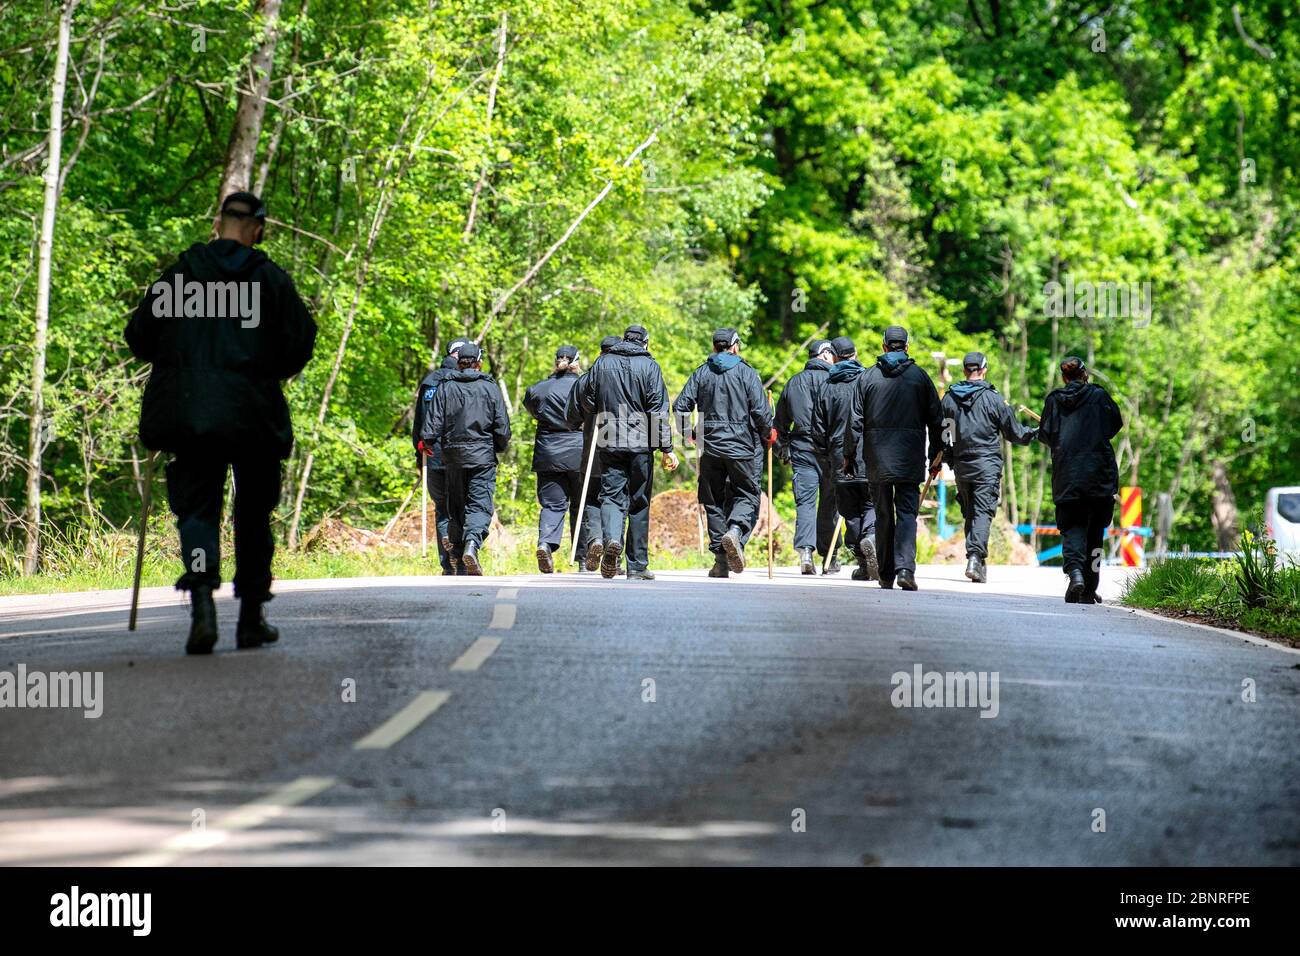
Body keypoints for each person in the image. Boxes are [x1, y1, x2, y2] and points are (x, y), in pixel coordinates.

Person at [125, 190, 317, 654]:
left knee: (196, 513)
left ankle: (202, 607)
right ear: (258, 230)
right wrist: (268, 368)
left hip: (191, 413)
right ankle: (251, 617)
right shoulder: (270, 281)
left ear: (218, 223)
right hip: (253, 413)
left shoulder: (180, 278)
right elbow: (300, 341)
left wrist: (180, 358)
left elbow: (139, 337)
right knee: (252, 514)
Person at [569, 324, 678, 580]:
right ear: (645, 342)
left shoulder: (602, 363)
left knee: (611, 496)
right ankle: (637, 566)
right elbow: (658, 410)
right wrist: (667, 448)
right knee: (638, 502)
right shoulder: (650, 366)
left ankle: (611, 541)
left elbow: (587, 398)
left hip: (609, 437)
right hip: (641, 443)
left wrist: (602, 411)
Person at [847, 325, 943, 591]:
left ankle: (886, 574)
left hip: (877, 457)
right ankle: (905, 569)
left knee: (883, 514)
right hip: (910, 456)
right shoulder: (920, 377)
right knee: (907, 513)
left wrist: (848, 455)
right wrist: (936, 456)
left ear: (884, 346)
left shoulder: (867, 377)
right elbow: (937, 420)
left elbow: (853, 421)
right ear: (907, 347)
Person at [674, 329, 776, 577]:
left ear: (714, 347)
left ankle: (721, 562)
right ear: (735, 347)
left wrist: (689, 433)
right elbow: (761, 411)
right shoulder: (746, 373)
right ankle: (736, 531)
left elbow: (680, 407)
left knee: (713, 501)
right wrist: (768, 432)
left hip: (710, 446)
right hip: (742, 447)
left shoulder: (701, 372)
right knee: (747, 494)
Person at [940, 352, 1038, 584]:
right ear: (984, 370)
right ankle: (975, 557)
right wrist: (1036, 433)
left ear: (964, 371)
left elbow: (945, 434)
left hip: (962, 465)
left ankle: (978, 563)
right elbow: (1014, 433)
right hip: (987, 465)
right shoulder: (994, 399)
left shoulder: (949, 399)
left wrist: (947, 458)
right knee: (982, 512)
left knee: (970, 512)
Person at [1037, 355, 1122, 604]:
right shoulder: (1099, 396)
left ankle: (1075, 574)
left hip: (1068, 475)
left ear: (1064, 377)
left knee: (1072, 527)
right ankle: (1089, 588)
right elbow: (1115, 424)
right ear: (1085, 374)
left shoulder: (1054, 400)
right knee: (1095, 532)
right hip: (1098, 474)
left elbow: (1045, 435)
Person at [422, 342, 511, 575]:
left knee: (457, 506)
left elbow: (431, 425)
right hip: (482, 456)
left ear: (459, 362)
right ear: (478, 362)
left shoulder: (445, 387)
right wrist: (499, 446)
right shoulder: (489, 387)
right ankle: (471, 544)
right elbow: (502, 425)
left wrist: (428, 442)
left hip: (453, 457)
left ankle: (459, 554)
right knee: (479, 504)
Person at [811, 336, 877, 581]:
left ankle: (862, 559)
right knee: (870, 503)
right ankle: (871, 537)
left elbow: (818, 429)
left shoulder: (827, 386)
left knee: (850, 511)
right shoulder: (869, 381)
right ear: (856, 353)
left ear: (835, 357)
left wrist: (825, 455)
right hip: (868, 455)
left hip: (839, 457)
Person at [523, 345, 589, 573]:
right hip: (579, 451)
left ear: (556, 362)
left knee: (552, 504)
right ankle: (583, 559)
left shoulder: (538, 389)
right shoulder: (585, 387)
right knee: (581, 505)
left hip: (548, 453)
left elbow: (532, 409)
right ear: (576, 363)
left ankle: (545, 544)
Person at [775, 339, 839, 574]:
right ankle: (830, 556)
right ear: (825, 355)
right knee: (830, 504)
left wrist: (783, 450)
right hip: (830, 451)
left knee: (805, 502)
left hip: (801, 449)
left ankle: (805, 552)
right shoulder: (835, 380)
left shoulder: (793, 383)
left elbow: (779, 423)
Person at [413, 338, 469, 574]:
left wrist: (419, 456)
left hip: (432, 454)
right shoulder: (465, 382)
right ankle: (460, 558)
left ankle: (447, 563)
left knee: (443, 508)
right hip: (458, 454)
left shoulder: (429, 382)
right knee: (462, 506)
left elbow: (419, 423)